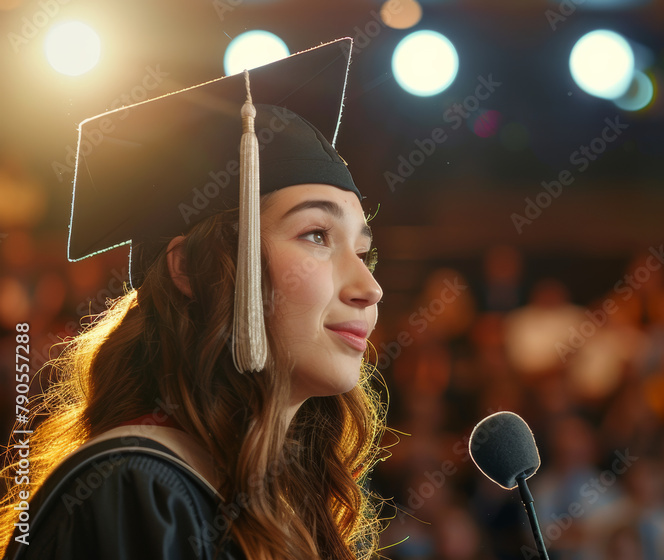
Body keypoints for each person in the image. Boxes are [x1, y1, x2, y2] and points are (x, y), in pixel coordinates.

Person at [0, 38, 386, 559]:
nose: (370, 288)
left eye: (363, 251)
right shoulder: (137, 491)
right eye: (316, 234)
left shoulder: (285, 509)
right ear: (192, 268)